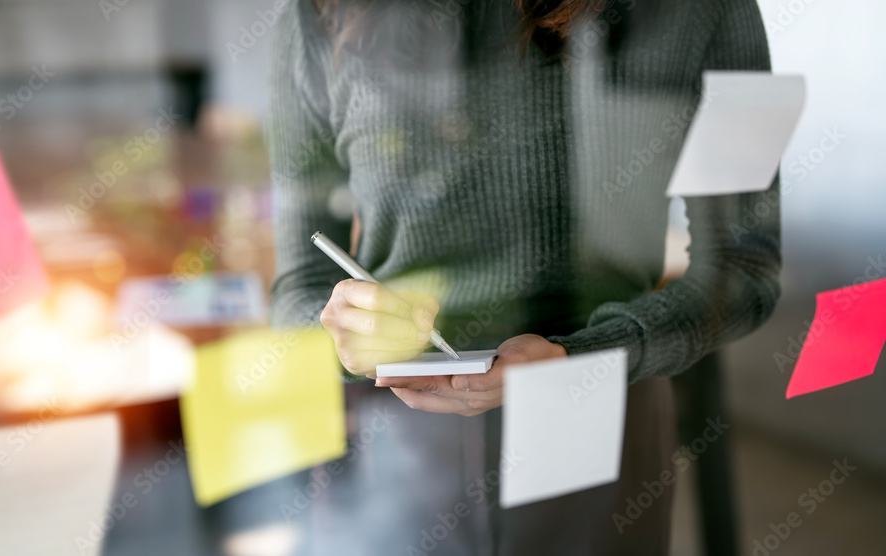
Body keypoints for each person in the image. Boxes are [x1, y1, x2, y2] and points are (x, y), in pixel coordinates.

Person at [267, 0, 780, 554]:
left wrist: (587, 354)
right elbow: (299, 288)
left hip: (601, 419)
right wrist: (341, 336)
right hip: (397, 449)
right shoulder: (314, 16)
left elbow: (744, 266)